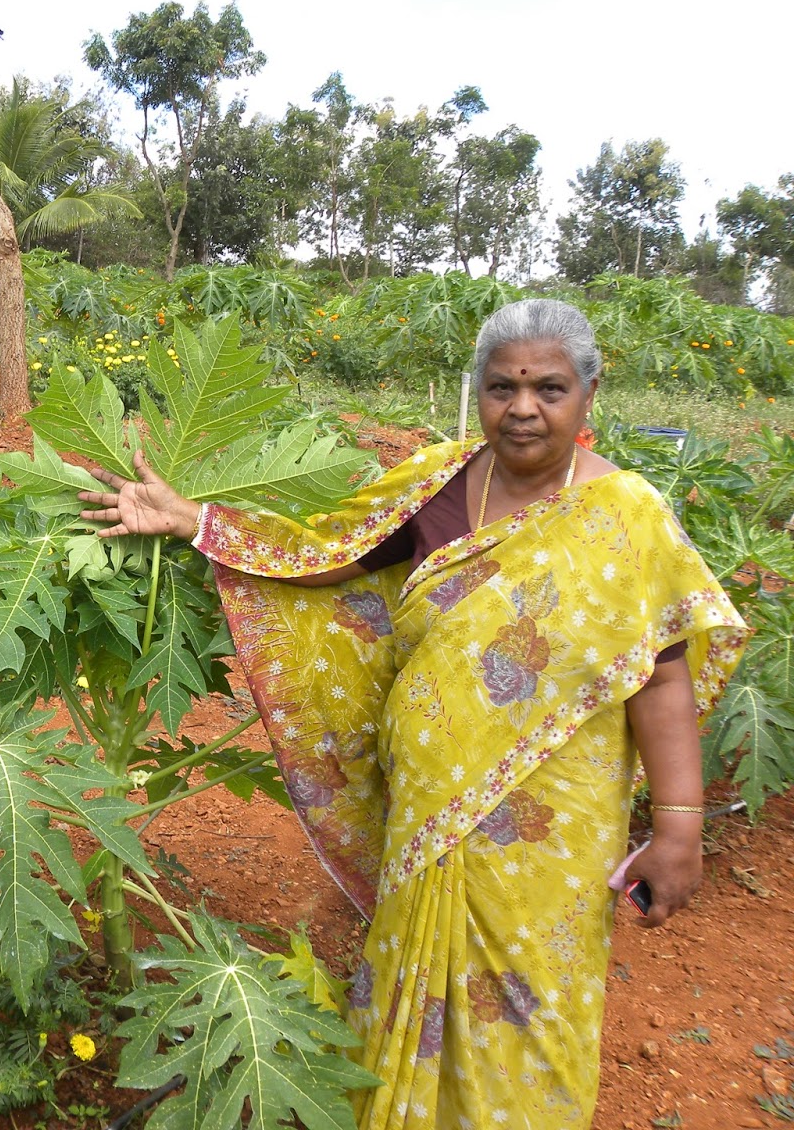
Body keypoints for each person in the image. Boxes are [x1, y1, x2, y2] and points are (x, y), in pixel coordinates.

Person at [78, 299, 748, 1130]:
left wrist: (680, 826)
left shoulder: (629, 517)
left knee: (531, 1004)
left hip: (551, 831)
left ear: (589, 393)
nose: (525, 407)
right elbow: (327, 560)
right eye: (503, 387)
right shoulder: (439, 482)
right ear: (479, 392)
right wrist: (192, 521)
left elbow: (663, 675)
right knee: (409, 979)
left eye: (549, 387)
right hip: (426, 809)